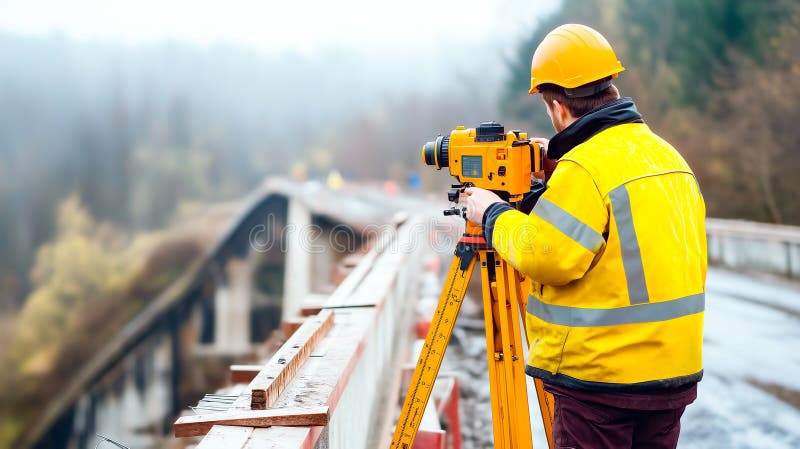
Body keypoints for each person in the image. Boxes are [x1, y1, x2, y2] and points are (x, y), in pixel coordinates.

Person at [458, 24, 706, 449]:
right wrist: (561, 169)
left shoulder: (585, 170)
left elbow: (545, 255)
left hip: (602, 381)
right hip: (671, 376)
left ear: (556, 106)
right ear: (609, 86)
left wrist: (491, 213)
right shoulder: (666, 156)